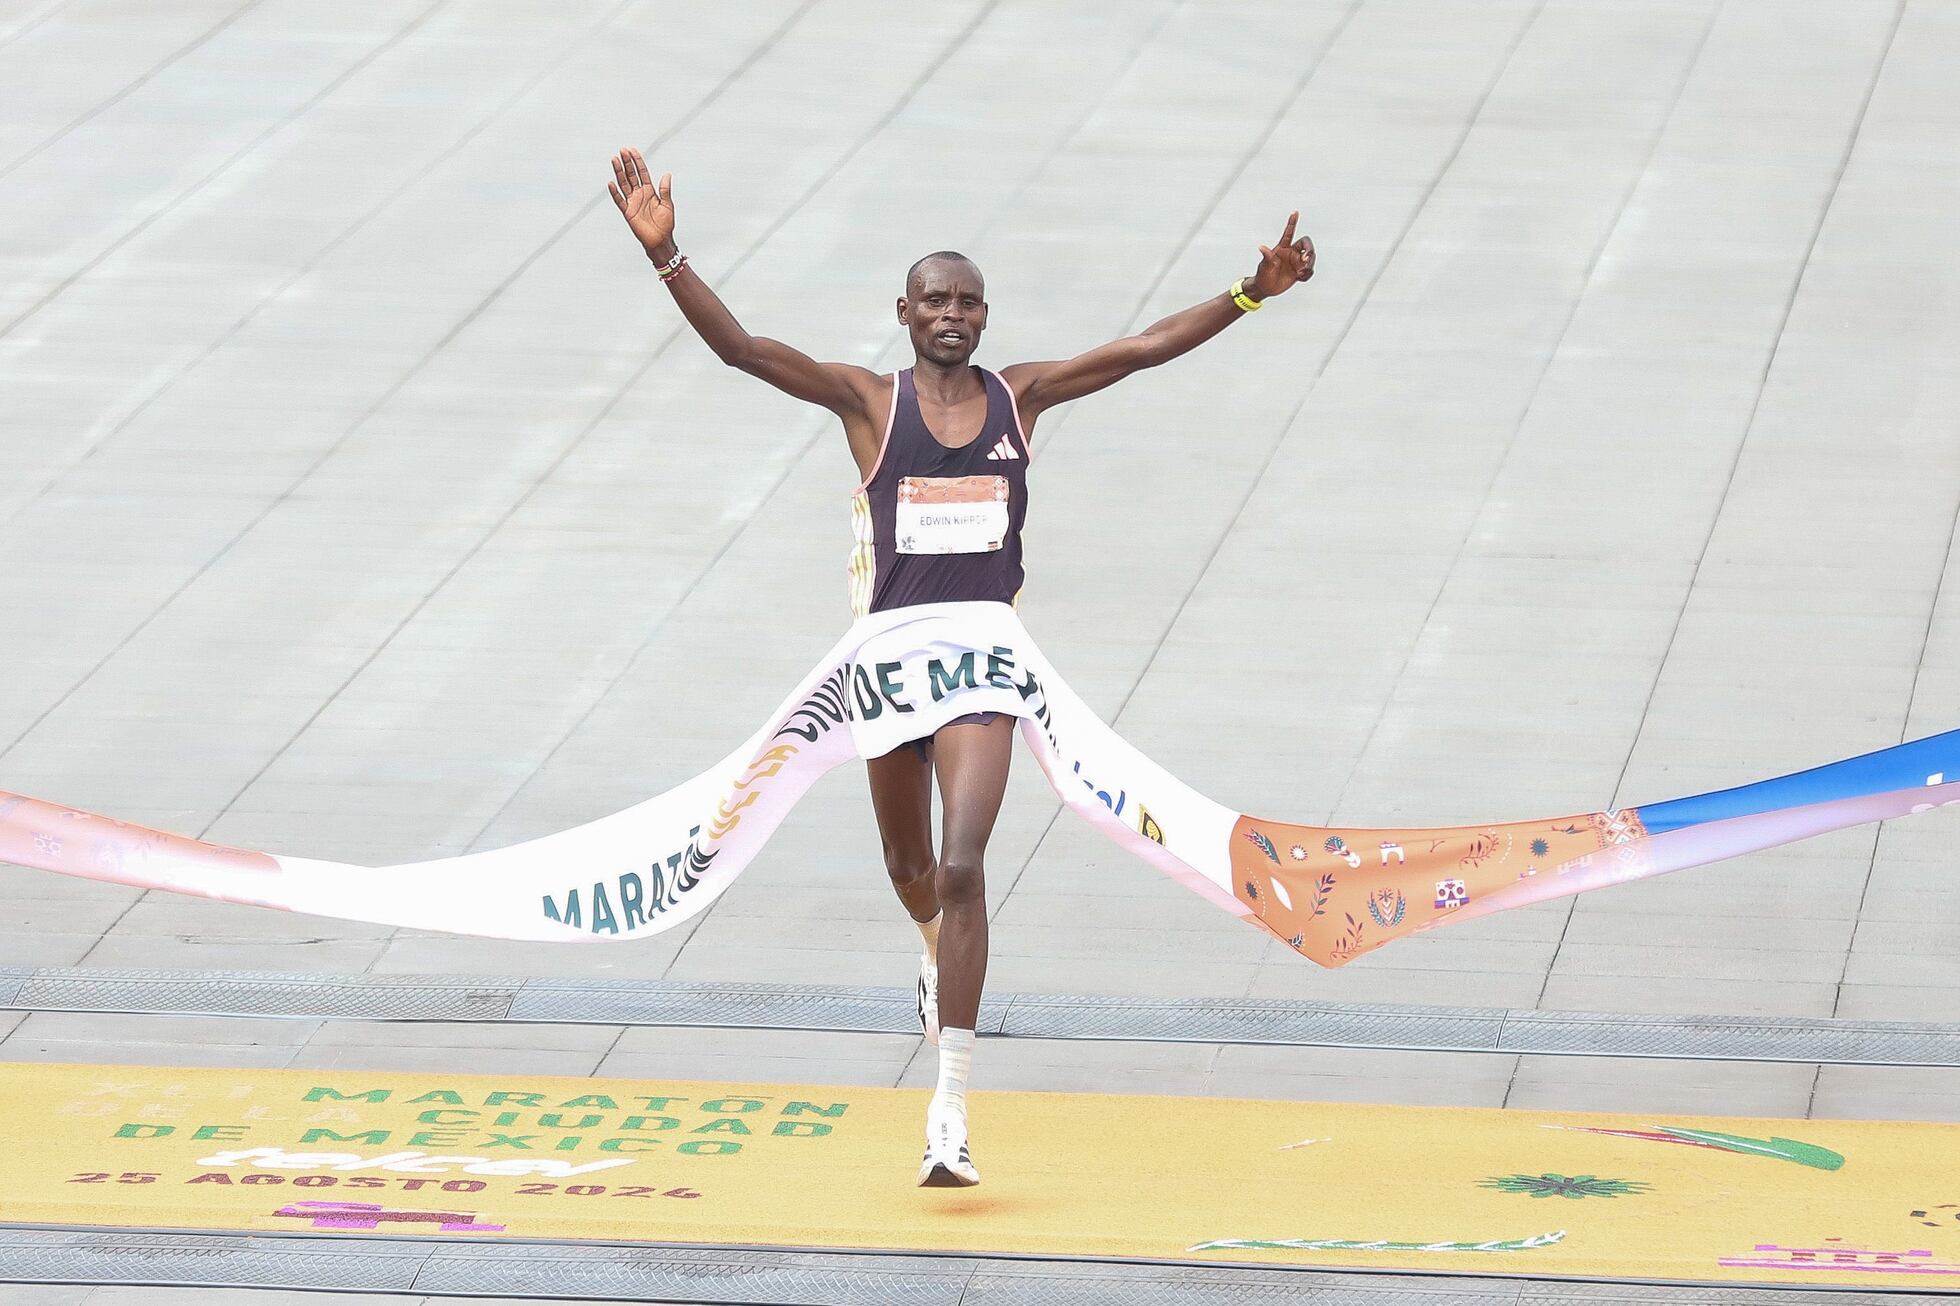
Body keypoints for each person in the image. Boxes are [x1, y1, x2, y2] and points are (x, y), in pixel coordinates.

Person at [607, 148, 1315, 1187]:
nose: (952, 315)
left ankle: (949, 1112)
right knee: (909, 872)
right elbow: (743, 350)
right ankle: (932, 946)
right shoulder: (866, 403)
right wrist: (668, 255)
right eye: (934, 299)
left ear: (984, 317)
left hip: (985, 663)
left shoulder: (1019, 399)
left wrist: (1253, 290)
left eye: (968, 303)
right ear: (904, 311)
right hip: (889, 668)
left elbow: (1140, 350)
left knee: (965, 861)